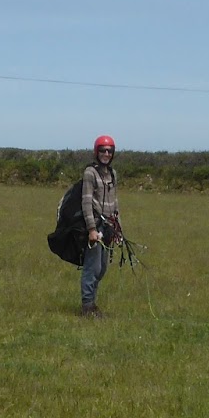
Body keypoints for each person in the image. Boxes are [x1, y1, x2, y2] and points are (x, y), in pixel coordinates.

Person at [79, 134, 122, 317]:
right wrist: (91, 229)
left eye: (109, 151)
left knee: (102, 268)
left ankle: (92, 303)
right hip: (96, 225)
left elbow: (115, 202)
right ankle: (87, 306)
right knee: (92, 267)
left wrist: (118, 228)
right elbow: (86, 202)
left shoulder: (112, 174)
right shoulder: (90, 173)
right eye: (103, 150)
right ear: (97, 152)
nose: (106, 154)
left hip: (109, 226)